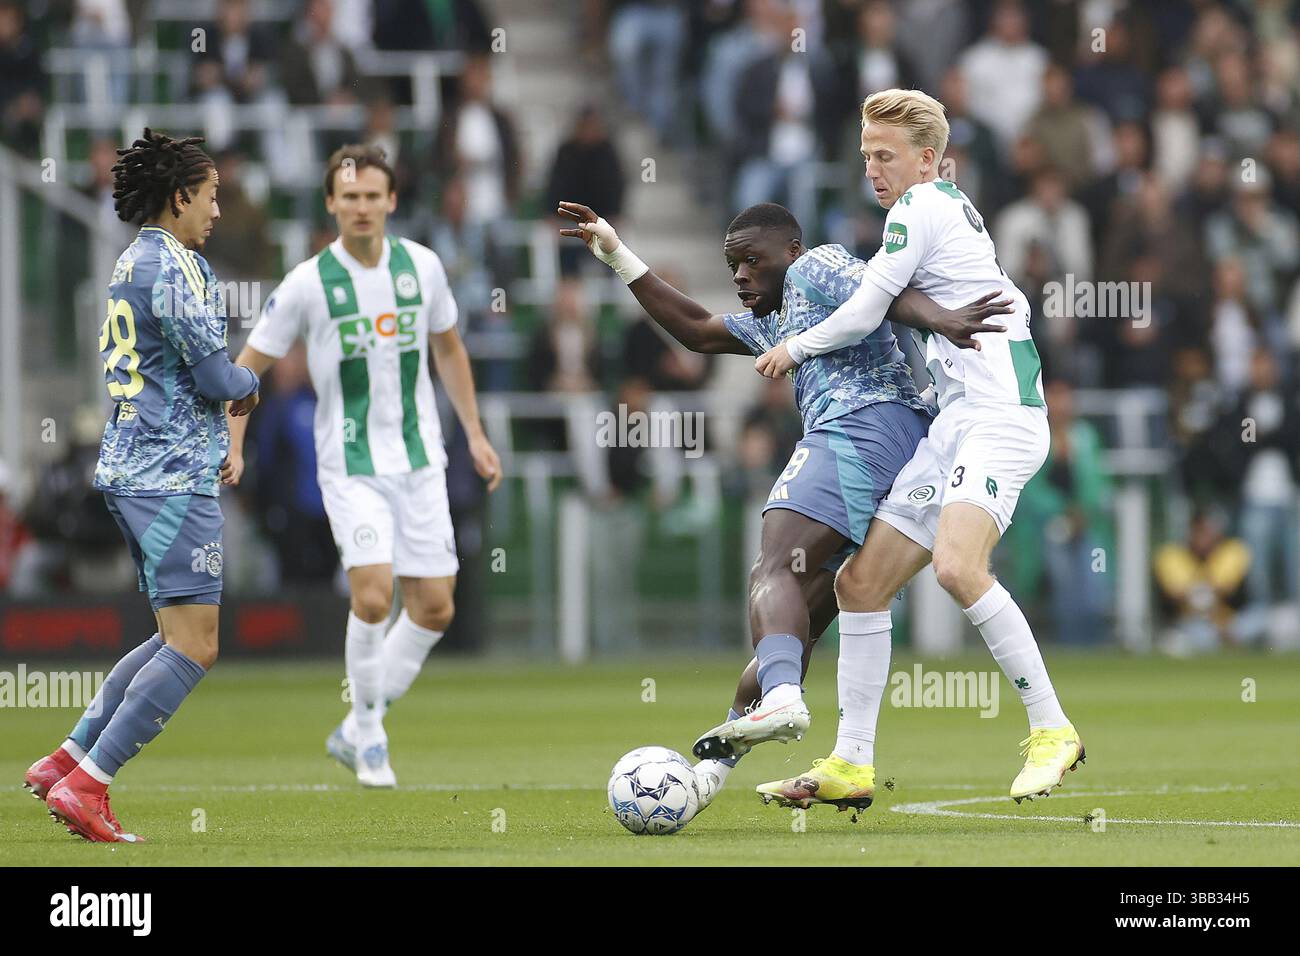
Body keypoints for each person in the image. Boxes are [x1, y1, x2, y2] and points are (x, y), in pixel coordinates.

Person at [559, 198, 1010, 812]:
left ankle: (784, 703)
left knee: (772, 567)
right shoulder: (775, 321)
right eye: (731, 264)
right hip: (893, 450)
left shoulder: (814, 268)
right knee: (789, 632)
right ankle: (705, 779)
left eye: (752, 260)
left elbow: (885, 294)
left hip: (863, 426)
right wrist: (614, 251)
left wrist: (942, 319)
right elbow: (693, 329)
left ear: (789, 251)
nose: (740, 274)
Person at [746, 88, 1082, 808]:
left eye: (886, 155)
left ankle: (1053, 728)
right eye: (866, 154)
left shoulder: (921, 206)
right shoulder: (938, 209)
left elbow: (868, 308)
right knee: (858, 585)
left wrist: (793, 349)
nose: (873, 168)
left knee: (960, 568)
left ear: (928, 159)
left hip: (998, 417)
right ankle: (851, 763)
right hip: (954, 420)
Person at [225, 144, 502, 787]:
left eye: (372, 196)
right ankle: (372, 734)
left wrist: (477, 435)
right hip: (348, 463)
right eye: (349, 197)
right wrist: (235, 442)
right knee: (374, 593)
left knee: (434, 607)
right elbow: (247, 370)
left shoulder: (423, 268)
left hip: (419, 458)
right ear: (331, 204)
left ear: (391, 200)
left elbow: (450, 352)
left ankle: (354, 728)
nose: (361, 207)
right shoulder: (306, 284)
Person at [24, 129, 261, 842]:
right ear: (180, 196)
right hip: (171, 478)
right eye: (211, 196)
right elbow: (218, 377)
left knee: (169, 636)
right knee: (195, 646)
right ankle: (91, 787)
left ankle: (67, 761)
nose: (217, 211)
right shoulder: (178, 269)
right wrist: (250, 384)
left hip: (132, 470)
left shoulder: (130, 261)